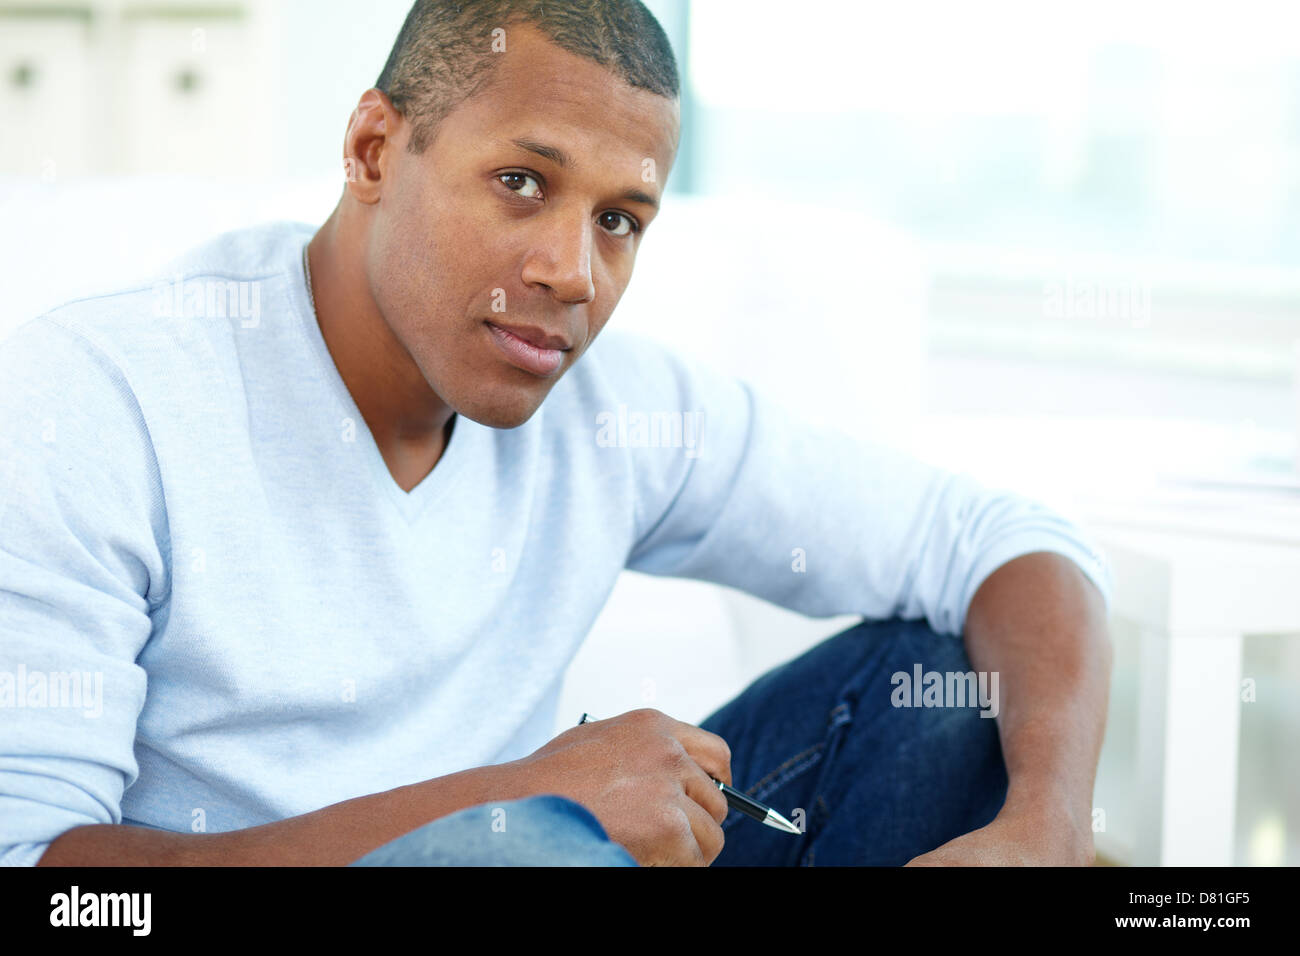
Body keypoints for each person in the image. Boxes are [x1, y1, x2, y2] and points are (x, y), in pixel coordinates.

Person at [1, 0, 1112, 868]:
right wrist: (514, 796)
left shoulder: (611, 410)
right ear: (375, 149)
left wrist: (1045, 828)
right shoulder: (97, 404)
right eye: (521, 182)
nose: (572, 274)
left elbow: (1002, 540)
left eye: (618, 220)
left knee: (938, 680)